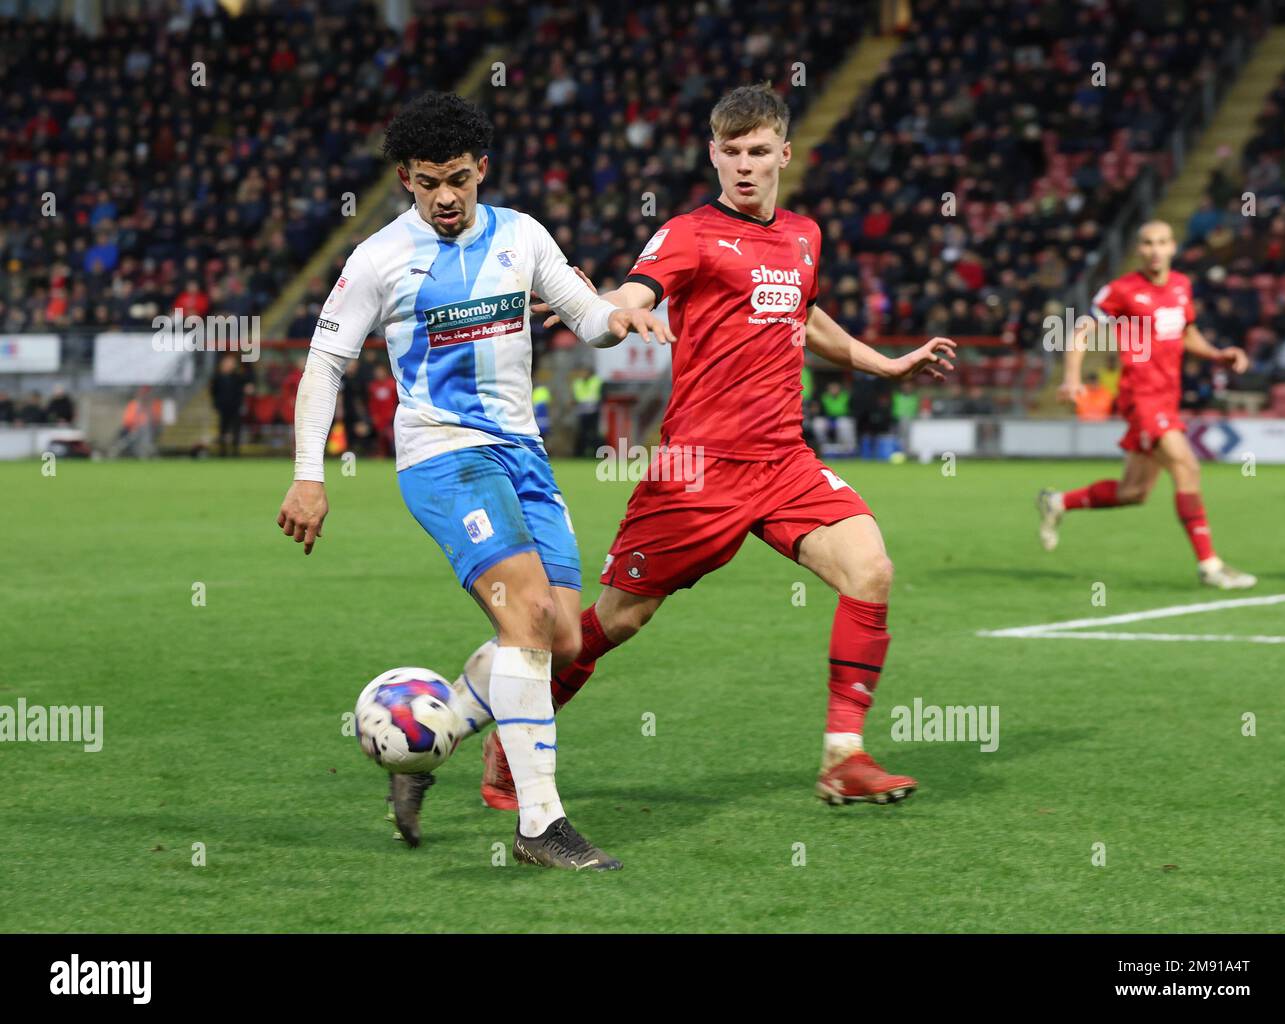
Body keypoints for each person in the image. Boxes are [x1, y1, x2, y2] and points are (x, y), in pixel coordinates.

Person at [486, 84, 954, 810]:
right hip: (697, 470)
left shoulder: (804, 235)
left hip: (785, 462)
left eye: (758, 151)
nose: (744, 164)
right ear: (712, 154)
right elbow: (637, 293)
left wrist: (883, 362)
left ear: (784, 155)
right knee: (617, 621)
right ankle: (514, 741)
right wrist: (604, 310)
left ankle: (844, 757)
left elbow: (807, 310)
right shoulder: (689, 234)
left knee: (871, 569)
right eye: (731, 152)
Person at [275, 92, 669, 870]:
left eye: (458, 178)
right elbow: (324, 364)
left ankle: (430, 741)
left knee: (559, 637)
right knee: (524, 613)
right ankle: (540, 826)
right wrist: (307, 476)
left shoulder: (523, 237)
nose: (446, 198)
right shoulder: (379, 259)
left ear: (482, 169)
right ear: (404, 179)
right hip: (443, 456)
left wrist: (618, 316)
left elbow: (586, 321)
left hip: (522, 454)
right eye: (428, 183)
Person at [1038, 220, 1255, 589]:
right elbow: (1082, 329)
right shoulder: (1123, 291)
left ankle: (1057, 502)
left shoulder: (1181, 286)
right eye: (1148, 243)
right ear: (1139, 249)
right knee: (1187, 466)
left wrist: (1218, 355)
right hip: (1141, 397)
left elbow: (1186, 333)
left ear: (1173, 247)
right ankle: (1210, 566)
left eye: (1162, 242)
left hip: (1167, 399)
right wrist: (1072, 378)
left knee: (1134, 492)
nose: (1155, 250)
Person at [210, 354, 247, 456]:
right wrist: (217, 404)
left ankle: (235, 452)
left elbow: (241, 391)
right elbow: (214, 392)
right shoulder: (217, 378)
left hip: (235, 407)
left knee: (236, 430)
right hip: (223, 408)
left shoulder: (238, 377)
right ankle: (223, 452)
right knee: (223, 430)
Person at [570, 366, 602, 456]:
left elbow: (601, 395)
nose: (582, 374)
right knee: (582, 433)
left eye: (584, 371)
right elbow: (576, 396)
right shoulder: (577, 382)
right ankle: (581, 454)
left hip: (593, 411)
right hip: (582, 411)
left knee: (594, 433)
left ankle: (597, 453)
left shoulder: (596, 381)